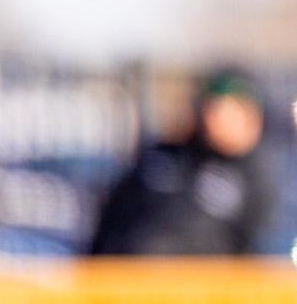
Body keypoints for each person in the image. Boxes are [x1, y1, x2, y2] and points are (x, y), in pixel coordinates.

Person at [90, 67, 275, 255]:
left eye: (229, 110)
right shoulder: (163, 158)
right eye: (212, 108)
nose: (214, 119)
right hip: (126, 277)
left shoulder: (256, 179)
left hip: (202, 281)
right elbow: (113, 216)